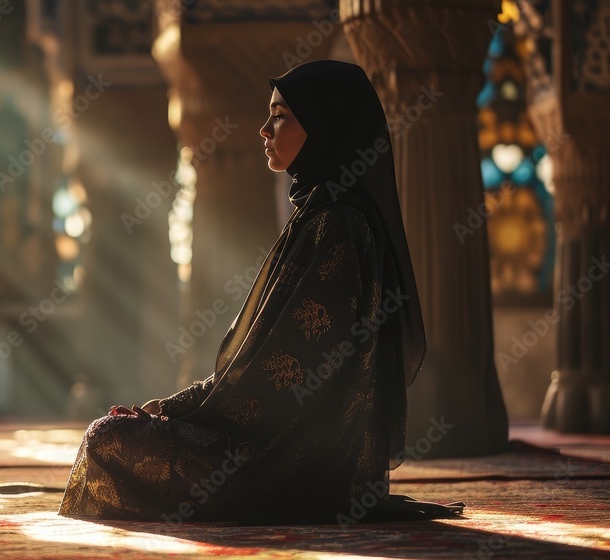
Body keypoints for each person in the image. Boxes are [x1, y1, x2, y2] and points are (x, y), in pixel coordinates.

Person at [58, 60, 464, 525]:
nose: (263, 129)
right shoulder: (320, 215)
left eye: (280, 116)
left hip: (286, 456)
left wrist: (172, 414)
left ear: (323, 124)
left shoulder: (337, 225)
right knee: (115, 436)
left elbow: (279, 375)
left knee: (108, 439)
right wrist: (173, 413)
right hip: (282, 443)